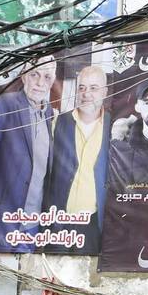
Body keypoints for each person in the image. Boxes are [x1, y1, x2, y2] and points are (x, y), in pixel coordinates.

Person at [0, 56, 57, 252]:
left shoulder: (49, 113)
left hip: (34, 225)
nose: (40, 83)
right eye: (34, 74)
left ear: (52, 81)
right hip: (1, 222)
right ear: (24, 76)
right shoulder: (3, 105)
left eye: (47, 77)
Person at [42, 65, 112, 250]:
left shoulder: (113, 127)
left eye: (93, 88)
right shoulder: (58, 122)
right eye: (82, 87)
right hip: (57, 225)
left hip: (94, 227)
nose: (86, 93)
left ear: (104, 92)